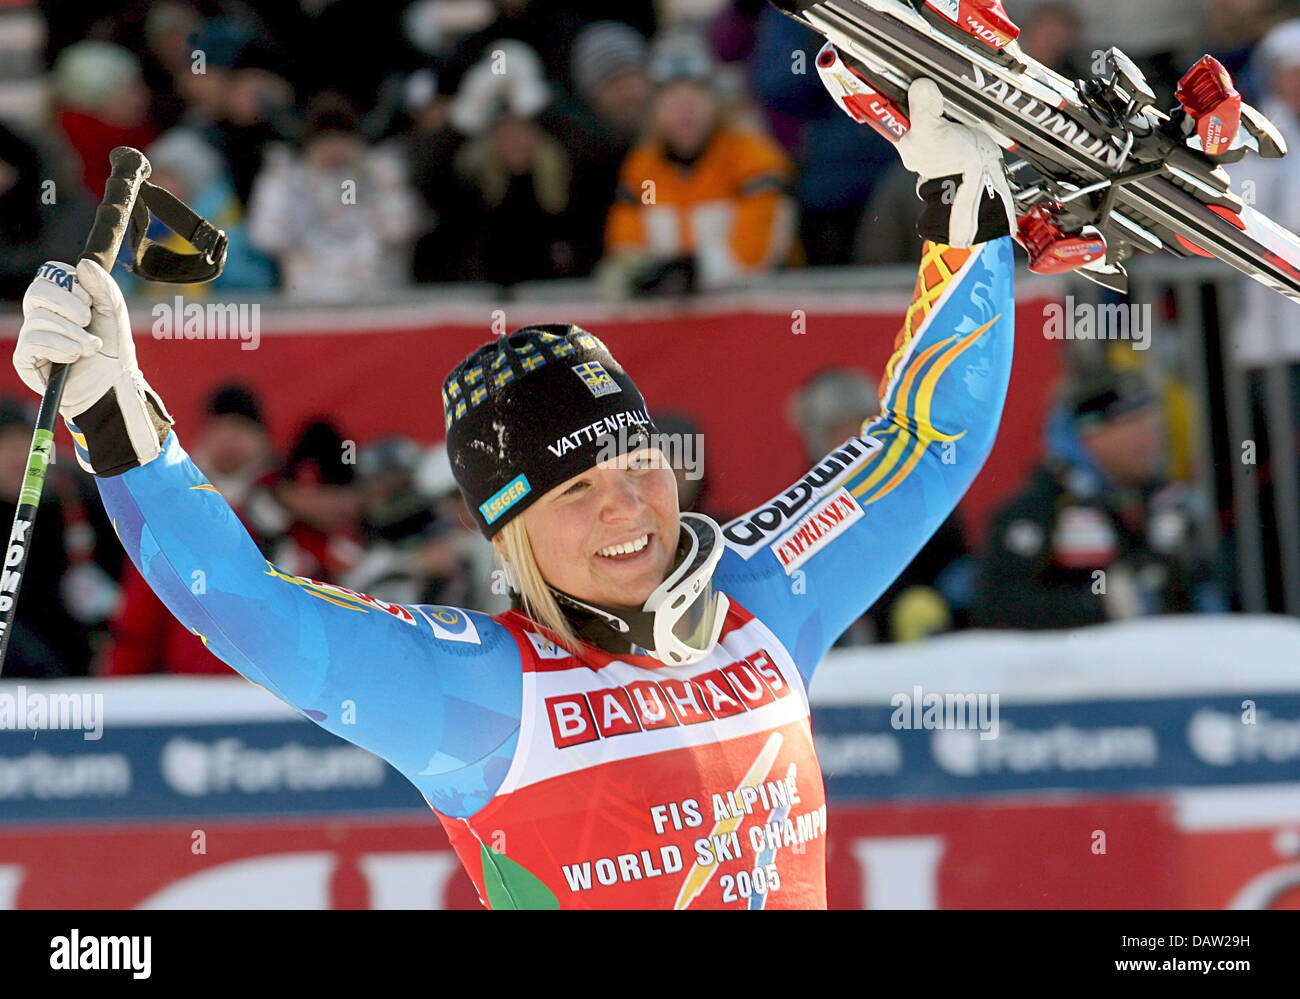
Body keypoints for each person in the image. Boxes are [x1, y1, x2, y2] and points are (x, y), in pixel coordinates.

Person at [13, 77, 1017, 908]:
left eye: (637, 461)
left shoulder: (761, 597)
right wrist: (113, 414)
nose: (629, 507)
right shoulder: (481, 694)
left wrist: (965, 228)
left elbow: (923, 443)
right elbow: (244, 604)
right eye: (577, 488)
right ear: (507, 532)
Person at [971, 369, 1227, 629]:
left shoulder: (1165, 504)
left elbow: (1206, 595)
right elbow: (999, 608)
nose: (1151, 440)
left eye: (1153, 426)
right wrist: (1102, 606)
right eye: (1134, 425)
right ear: (1089, 435)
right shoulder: (1036, 511)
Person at [600, 32, 796, 296]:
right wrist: (634, 275)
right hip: (673, 321)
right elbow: (626, 249)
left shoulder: (754, 157)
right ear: (655, 107)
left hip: (754, 312)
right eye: (671, 97)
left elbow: (754, 254)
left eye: (695, 94)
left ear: (715, 100)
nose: (685, 109)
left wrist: (684, 273)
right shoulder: (643, 168)